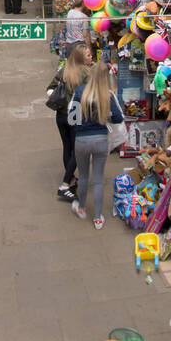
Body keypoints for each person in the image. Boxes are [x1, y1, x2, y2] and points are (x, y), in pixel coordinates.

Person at [70, 61, 123, 230]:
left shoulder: (79, 92)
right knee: (98, 180)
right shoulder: (107, 95)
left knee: (84, 176)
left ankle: (82, 207)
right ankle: (98, 218)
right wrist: (105, 115)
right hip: (100, 140)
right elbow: (118, 118)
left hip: (81, 140)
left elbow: (72, 118)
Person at [50, 41, 92, 203]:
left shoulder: (64, 70)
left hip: (60, 114)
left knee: (67, 146)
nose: (91, 57)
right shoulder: (86, 73)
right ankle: (65, 184)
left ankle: (71, 178)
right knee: (77, 149)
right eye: (88, 55)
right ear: (81, 58)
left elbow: (50, 87)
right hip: (76, 114)